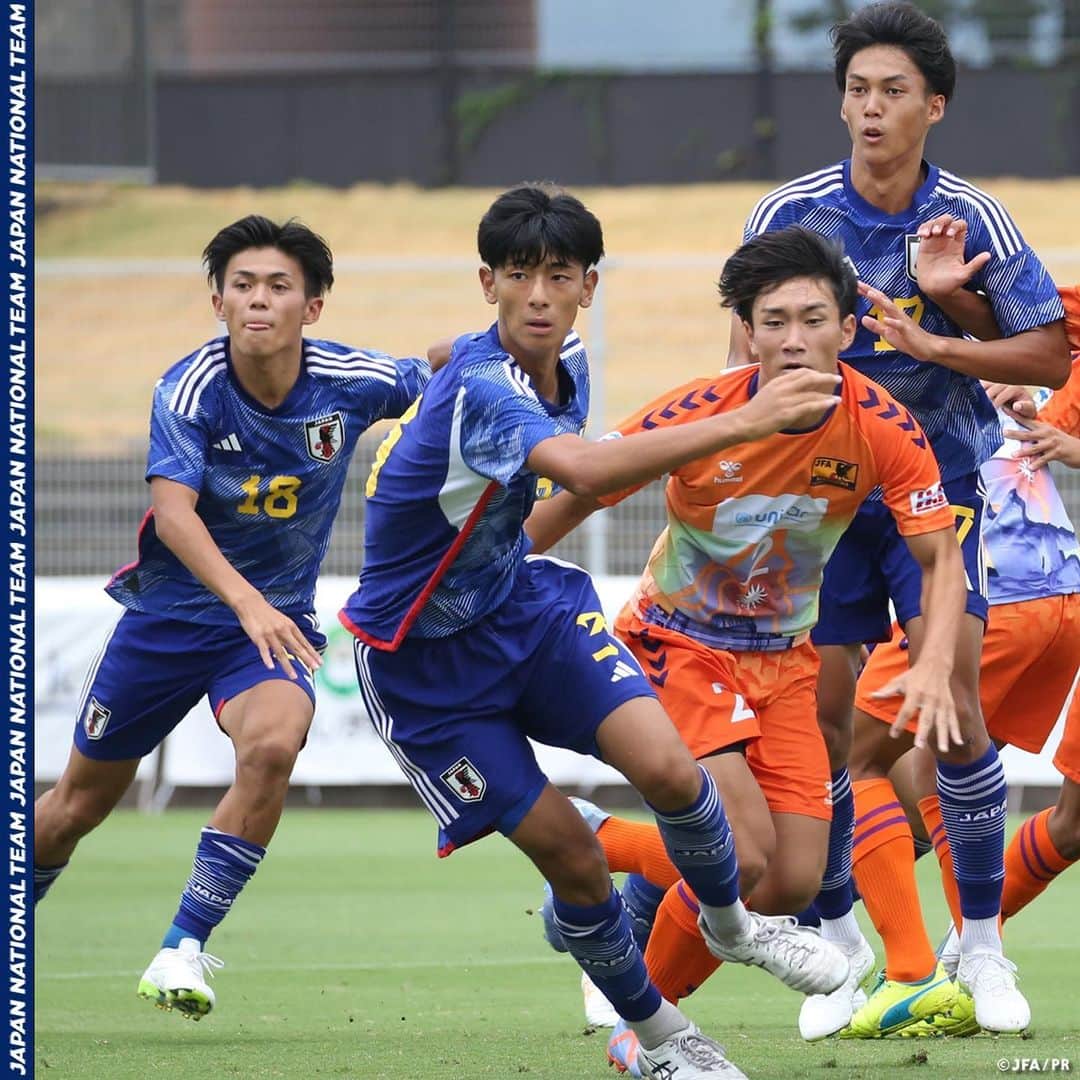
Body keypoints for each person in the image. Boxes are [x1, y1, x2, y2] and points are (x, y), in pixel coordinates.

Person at [338, 184, 851, 1080]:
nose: (538, 295)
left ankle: (732, 927)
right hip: (419, 665)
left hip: (525, 611)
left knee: (667, 767)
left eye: (558, 275)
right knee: (575, 866)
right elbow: (579, 465)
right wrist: (749, 417)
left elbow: (438, 356)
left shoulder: (557, 353)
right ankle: (660, 1039)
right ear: (486, 281)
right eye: (518, 277)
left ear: (588, 286)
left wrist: (421, 386)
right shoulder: (490, 390)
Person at [524, 224, 967, 1072]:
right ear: (747, 330)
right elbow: (580, 486)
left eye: (812, 318)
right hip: (677, 647)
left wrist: (937, 662)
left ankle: (593, 843)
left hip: (786, 663)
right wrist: (487, 576)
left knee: (789, 883)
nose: (793, 338)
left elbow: (938, 556)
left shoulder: (884, 428)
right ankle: (647, 1027)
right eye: (773, 321)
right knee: (744, 851)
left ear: (849, 328)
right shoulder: (700, 409)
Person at [730, 0, 1069, 1039]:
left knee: (954, 711)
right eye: (856, 89)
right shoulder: (793, 213)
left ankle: (984, 946)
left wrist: (942, 348)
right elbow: (746, 354)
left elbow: (1052, 357)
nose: (870, 109)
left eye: (891, 91)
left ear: (935, 104)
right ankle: (842, 940)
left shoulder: (976, 221)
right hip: (818, 495)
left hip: (935, 489)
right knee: (832, 729)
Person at [33, 215, 433, 1020]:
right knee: (76, 806)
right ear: (217, 300)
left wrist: (495, 356)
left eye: (278, 286)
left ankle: (182, 948)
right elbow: (173, 514)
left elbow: (442, 380)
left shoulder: (351, 380)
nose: (259, 300)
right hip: (170, 622)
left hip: (274, 625)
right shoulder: (188, 390)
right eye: (242, 285)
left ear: (311, 307)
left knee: (275, 744)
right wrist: (244, 600)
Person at [843, 284, 1080, 1037]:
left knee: (846, 769)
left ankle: (919, 967)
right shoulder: (1016, 328)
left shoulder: (894, 350)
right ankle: (961, 959)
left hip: (999, 584)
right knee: (931, 783)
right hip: (1053, 588)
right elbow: (1051, 334)